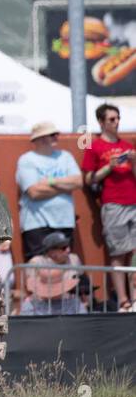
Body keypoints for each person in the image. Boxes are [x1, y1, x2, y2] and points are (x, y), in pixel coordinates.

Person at [82, 103, 136, 310]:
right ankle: (122, 299)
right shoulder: (93, 146)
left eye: (118, 118)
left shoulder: (127, 145)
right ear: (101, 122)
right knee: (117, 253)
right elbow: (88, 179)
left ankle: (134, 298)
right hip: (113, 203)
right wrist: (108, 167)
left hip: (133, 201)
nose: (116, 122)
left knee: (133, 254)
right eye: (112, 119)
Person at [15, 122, 82, 260]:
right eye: (53, 135)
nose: (57, 137)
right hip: (36, 224)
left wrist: (51, 181)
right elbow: (34, 192)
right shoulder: (27, 160)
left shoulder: (66, 156)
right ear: (41, 138)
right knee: (38, 267)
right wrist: (64, 188)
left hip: (64, 221)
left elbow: (78, 182)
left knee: (64, 268)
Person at [20, 231, 86, 315]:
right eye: (63, 248)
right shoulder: (36, 262)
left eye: (68, 246)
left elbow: (83, 282)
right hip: (43, 304)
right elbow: (32, 288)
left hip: (68, 303)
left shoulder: (74, 259)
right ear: (51, 251)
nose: (68, 250)